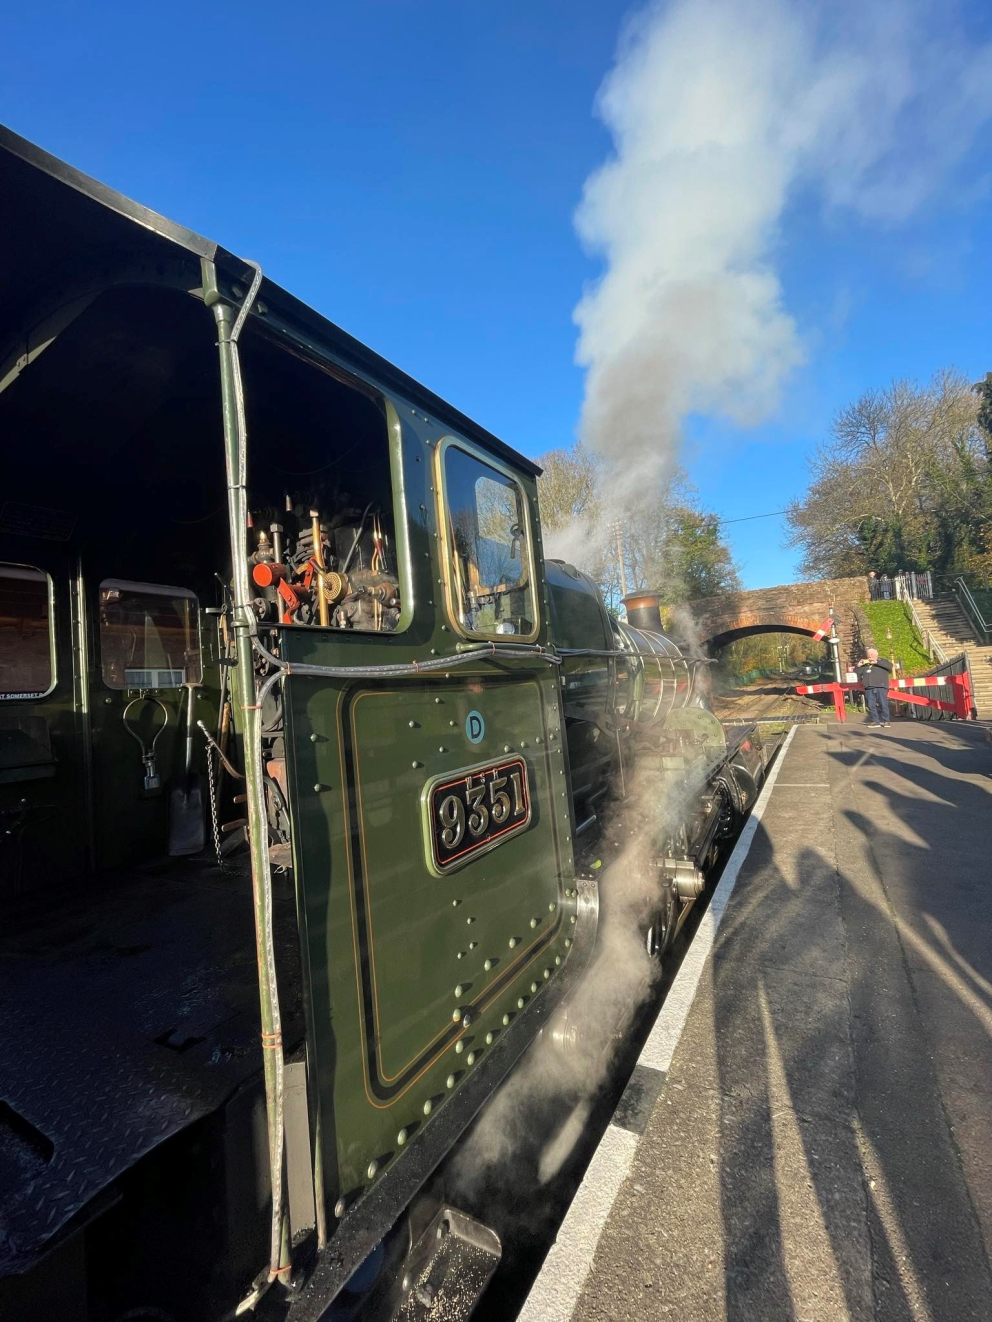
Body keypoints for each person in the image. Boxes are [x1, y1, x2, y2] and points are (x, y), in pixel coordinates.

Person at [856, 647, 893, 726]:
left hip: (880, 686)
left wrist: (877, 662)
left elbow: (890, 666)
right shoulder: (865, 664)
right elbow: (857, 673)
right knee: (871, 705)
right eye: (868, 654)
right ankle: (875, 721)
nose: (870, 656)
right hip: (869, 687)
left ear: (876, 654)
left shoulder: (883, 661)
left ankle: (886, 721)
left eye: (872, 654)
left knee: (883, 704)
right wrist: (858, 666)